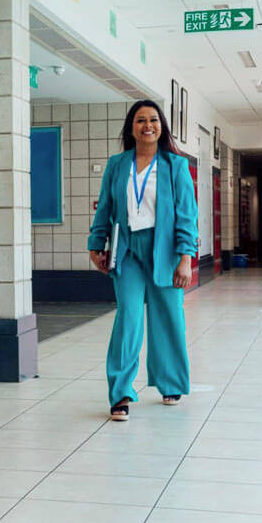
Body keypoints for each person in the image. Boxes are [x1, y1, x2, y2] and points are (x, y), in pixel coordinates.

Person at [87, 100, 198, 421]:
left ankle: (171, 382)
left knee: (168, 317)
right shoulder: (117, 164)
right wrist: (96, 245)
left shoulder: (175, 165)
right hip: (127, 250)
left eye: (153, 119)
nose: (147, 125)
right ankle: (120, 392)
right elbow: (105, 208)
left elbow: (187, 215)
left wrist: (185, 259)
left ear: (161, 126)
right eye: (140, 120)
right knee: (128, 319)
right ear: (131, 127)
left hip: (165, 249)